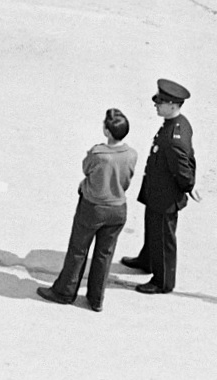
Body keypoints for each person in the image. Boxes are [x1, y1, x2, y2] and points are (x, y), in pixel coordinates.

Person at [38, 108, 139, 310]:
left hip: (93, 207)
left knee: (78, 250)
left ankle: (64, 291)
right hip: (118, 208)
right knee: (104, 255)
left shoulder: (99, 153)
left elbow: (86, 168)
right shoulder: (131, 154)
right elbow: (127, 178)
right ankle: (96, 298)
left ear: (108, 132)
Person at [122, 79, 197, 292]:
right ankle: (147, 260)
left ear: (172, 105)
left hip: (165, 198)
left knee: (163, 238)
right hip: (156, 192)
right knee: (152, 230)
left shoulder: (174, 138)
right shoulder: (178, 124)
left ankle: (162, 281)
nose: (156, 104)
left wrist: (190, 185)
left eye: (161, 102)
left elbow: (183, 168)